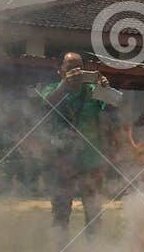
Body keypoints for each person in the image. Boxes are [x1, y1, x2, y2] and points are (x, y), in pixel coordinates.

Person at [36, 51, 120, 237]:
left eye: (79, 67)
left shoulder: (92, 90)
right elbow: (46, 105)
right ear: (60, 71)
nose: (76, 72)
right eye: (70, 68)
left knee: (93, 209)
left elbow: (115, 105)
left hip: (90, 161)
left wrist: (106, 89)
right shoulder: (52, 90)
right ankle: (61, 250)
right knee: (61, 210)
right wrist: (65, 86)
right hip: (63, 161)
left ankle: (93, 251)